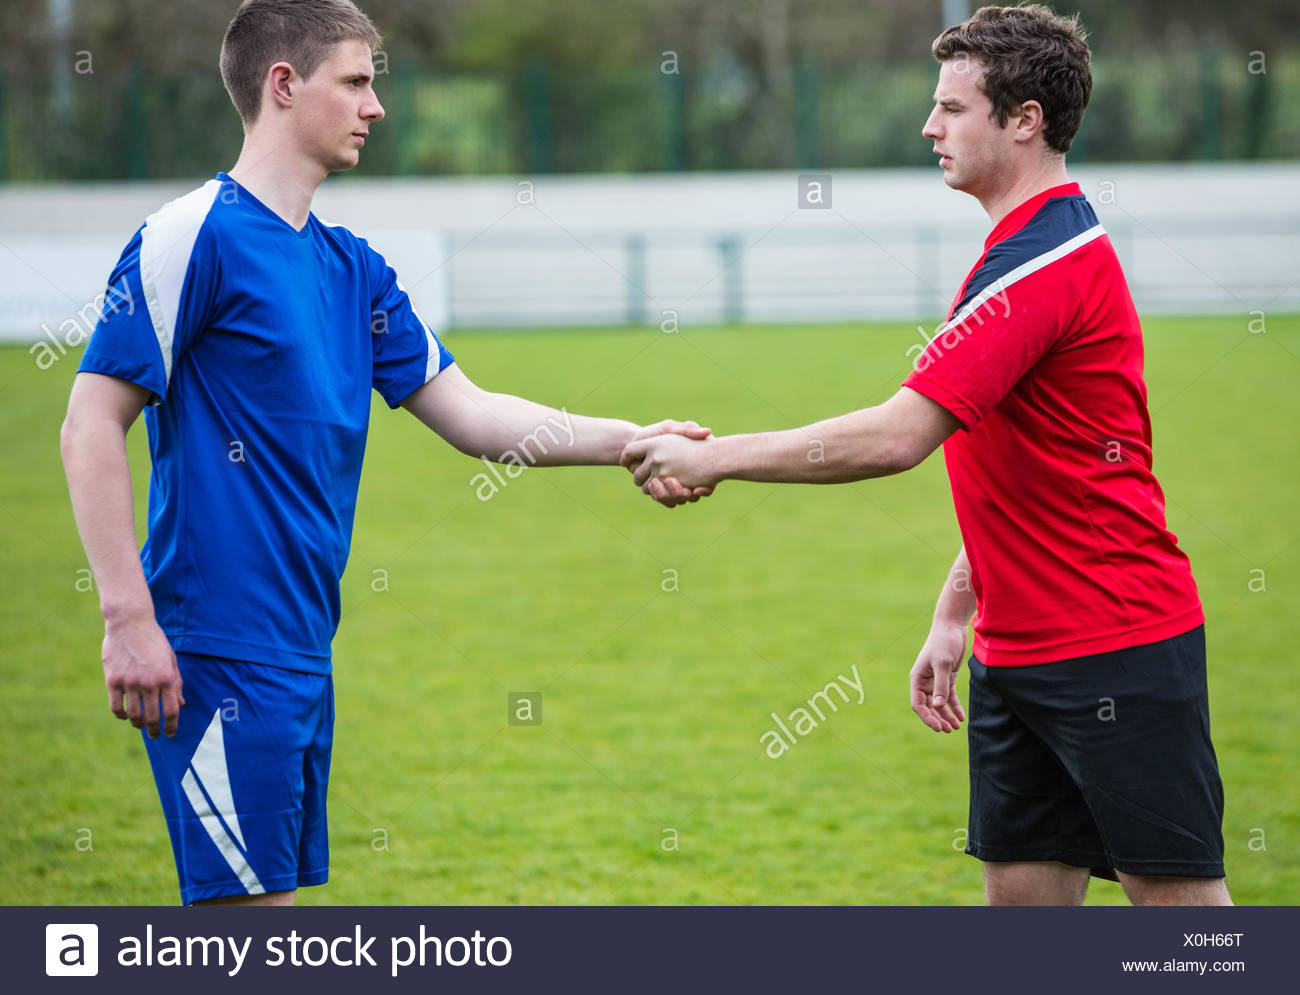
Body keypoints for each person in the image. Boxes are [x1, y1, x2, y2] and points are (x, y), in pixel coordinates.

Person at [60, 0, 708, 907]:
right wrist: (126, 617)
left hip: (304, 648)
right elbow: (90, 422)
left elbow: (473, 414)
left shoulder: (352, 267)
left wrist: (633, 440)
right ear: (282, 86)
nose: (377, 106)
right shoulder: (191, 235)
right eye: (357, 81)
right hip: (215, 648)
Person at [622, 4, 1231, 906]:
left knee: (1188, 933)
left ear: (1025, 120)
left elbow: (897, 436)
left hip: (1116, 645)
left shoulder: (1043, 265)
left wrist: (715, 456)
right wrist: (958, 611)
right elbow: (1030, 470)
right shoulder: (1023, 250)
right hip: (1015, 655)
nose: (928, 126)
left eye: (952, 108)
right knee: (1022, 914)